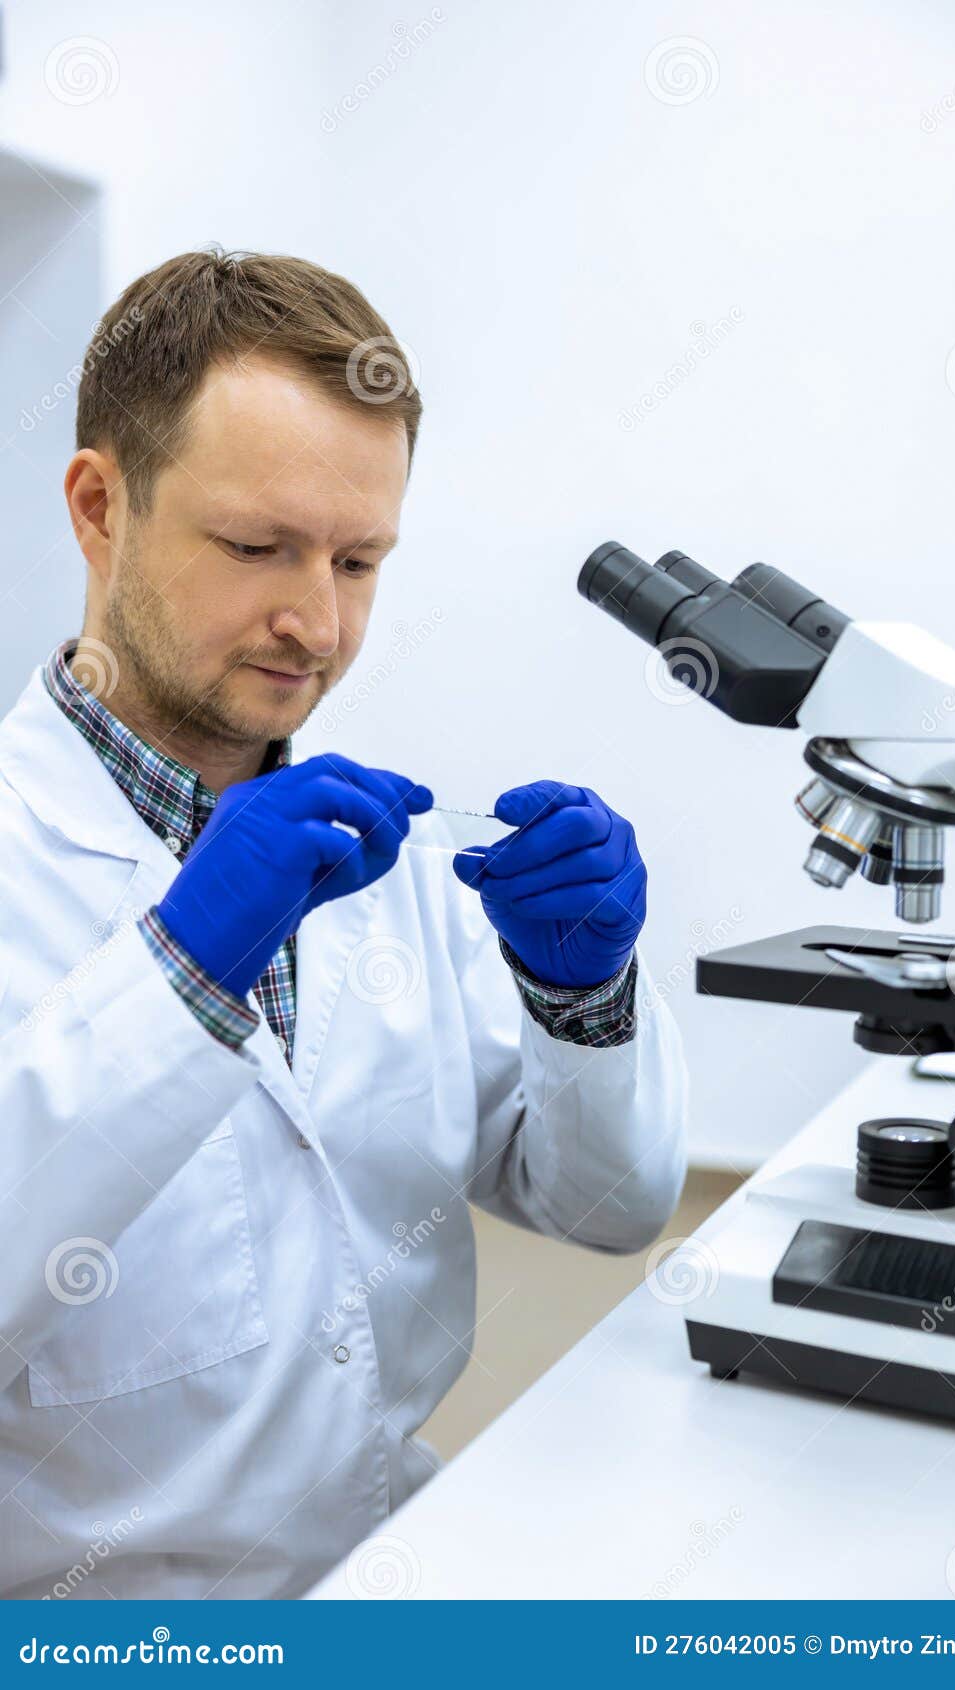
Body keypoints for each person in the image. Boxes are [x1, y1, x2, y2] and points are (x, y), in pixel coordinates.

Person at [0, 248, 689, 1599]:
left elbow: (607, 1207)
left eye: (358, 559)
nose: (315, 622)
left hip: (396, 1588)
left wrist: (583, 996)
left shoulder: (383, 853)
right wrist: (179, 978)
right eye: (256, 547)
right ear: (100, 506)